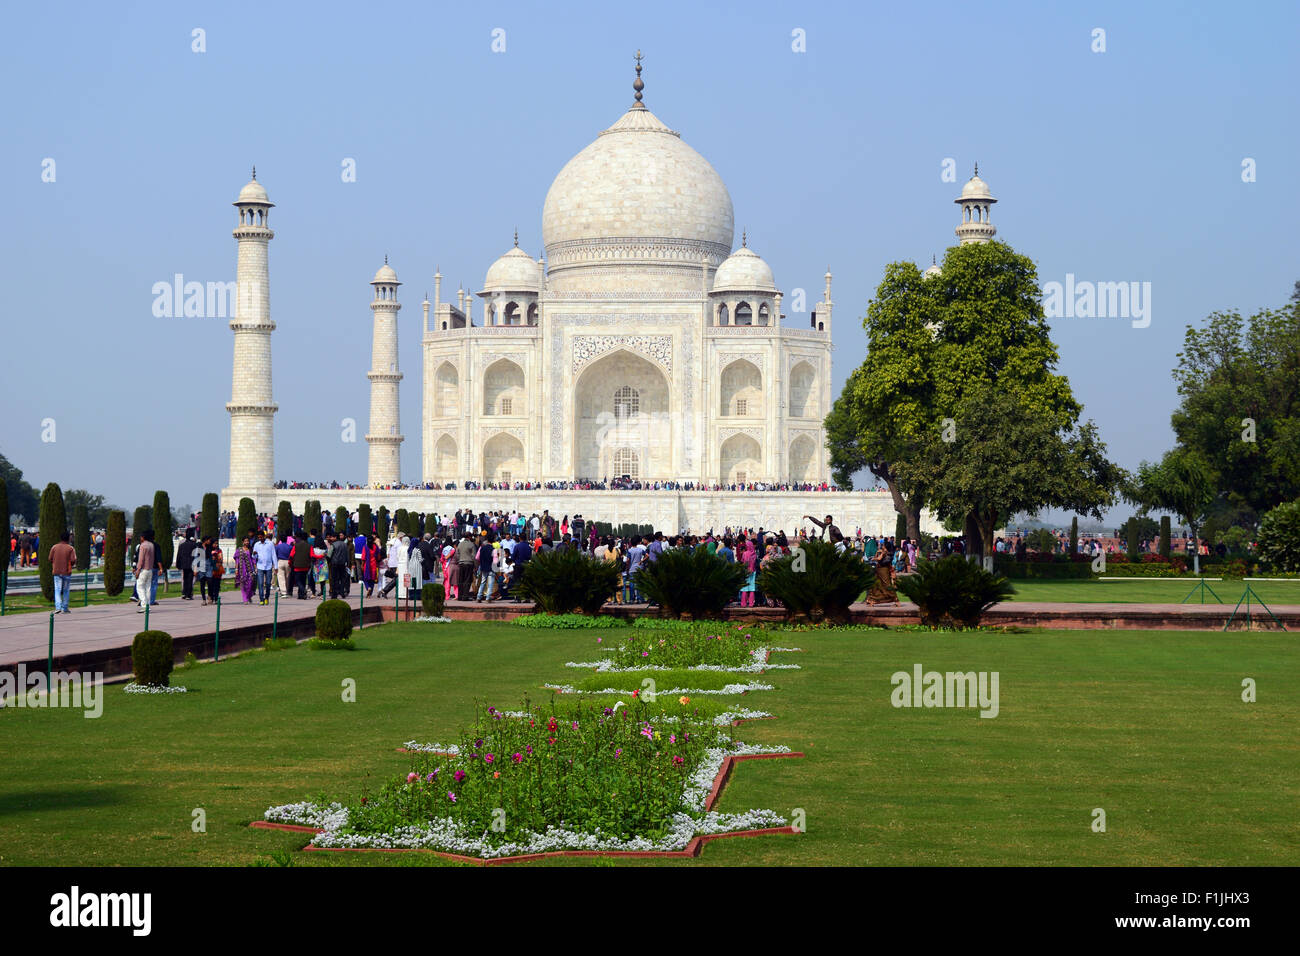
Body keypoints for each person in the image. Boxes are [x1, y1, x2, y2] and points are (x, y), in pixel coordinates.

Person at [50, 530, 76, 614]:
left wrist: (56, 563)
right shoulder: (70, 548)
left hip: (57, 571)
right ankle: (65, 607)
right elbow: (73, 559)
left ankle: (58, 607)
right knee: (66, 590)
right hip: (67, 572)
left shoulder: (54, 547)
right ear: (68, 538)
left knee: (57, 590)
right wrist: (70, 564)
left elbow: (50, 558)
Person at [133, 532, 156, 613]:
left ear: (143, 537)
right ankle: (148, 605)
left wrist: (138, 570)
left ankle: (144, 605)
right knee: (148, 588)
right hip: (150, 569)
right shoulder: (151, 545)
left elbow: (141, 559)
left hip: (143, 570)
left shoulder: (143, 545)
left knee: (139, 587)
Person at [253, 531, 277, 605]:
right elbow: (254, 556)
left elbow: (273, 555)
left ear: (264, 536)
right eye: (259, 537)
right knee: (260, 583)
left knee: (268, 583)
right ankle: (261, 598)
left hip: (268, 566)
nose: (260, 538)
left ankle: (267, 597)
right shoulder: (256, 544)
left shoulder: (270, 544)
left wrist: (276, 566)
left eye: (261, 537)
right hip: (260, 566)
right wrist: (254, 555)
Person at [234, 538, 256, 603]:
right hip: (241, 569)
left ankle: (249, 596)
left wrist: (255, 567)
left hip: (249, 569)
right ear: (243, 542)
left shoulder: (250, 550)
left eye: (248, 541)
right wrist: (236, 569)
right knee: (242, 584)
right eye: (245, 541)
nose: (247, 542)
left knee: (250, 583)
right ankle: (245, 599)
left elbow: (253, 559)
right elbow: (237, 560)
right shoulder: (239, 550)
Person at [176, 532, 197, 601]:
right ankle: (188, 594)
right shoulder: (193, 545)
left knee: (185, 579)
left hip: (184, 564)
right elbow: (195, 556)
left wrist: (178, 564)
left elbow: (178, 555)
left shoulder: (182, 545)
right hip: (191, 564)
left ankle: (184, 593)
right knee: (190, 579)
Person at [739, 538, 758, 608]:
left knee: (745, 587)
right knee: (752, 587)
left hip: (746, 572)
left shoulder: (744, 553)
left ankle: (743, 603)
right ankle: (751, 603)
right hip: (753, 572)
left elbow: (742, 561)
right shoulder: (754, 554)